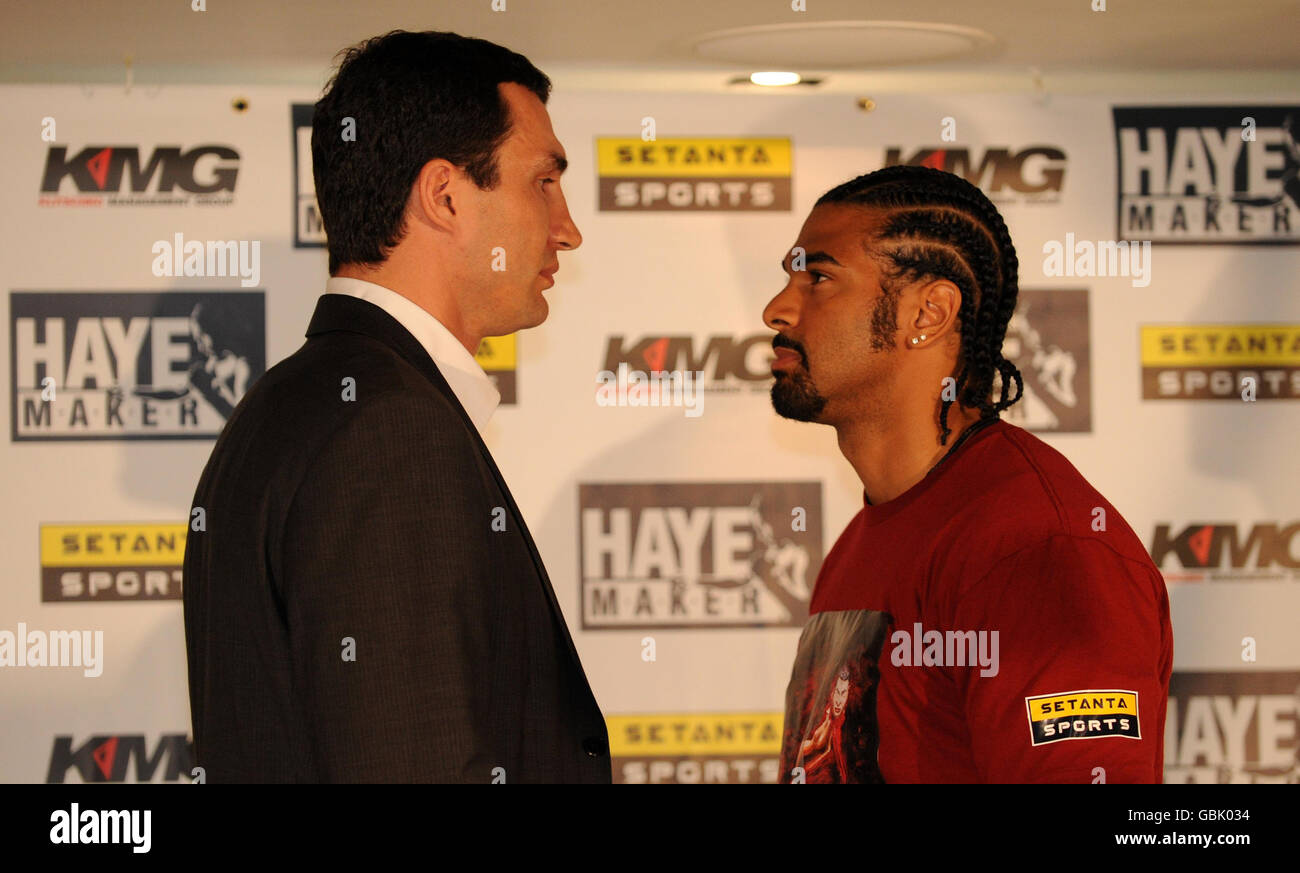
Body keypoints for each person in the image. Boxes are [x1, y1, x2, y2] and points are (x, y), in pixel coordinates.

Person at [182, 30, 609, 783]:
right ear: (445, 194)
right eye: (544, 181)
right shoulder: (389, 429)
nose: (567, 228)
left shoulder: (289, 403)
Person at [766, 165, 1172, 783]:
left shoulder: (1040, 547)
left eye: (819, 277)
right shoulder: (862, 541)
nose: (777, 309)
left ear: (928, 312)